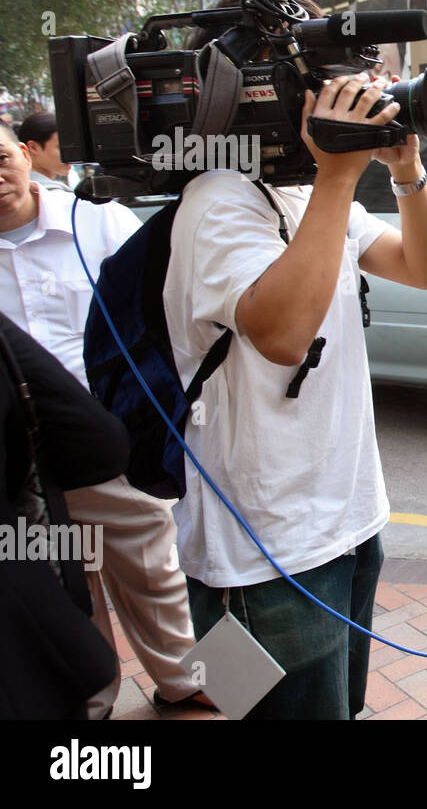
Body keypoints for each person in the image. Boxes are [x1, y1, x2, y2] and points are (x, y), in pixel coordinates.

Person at [164, 0, 427, 719]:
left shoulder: (314, 196)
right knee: (263, 712)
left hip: (350, 522)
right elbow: (283, 333)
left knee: (339, 710)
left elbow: (426, 268)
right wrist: (339, 170)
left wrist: (406, 173)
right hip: (261, 554)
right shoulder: (219, 202)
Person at [0, 121, 212, 717]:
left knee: (159, 572)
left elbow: (160, 311)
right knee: (63, 586)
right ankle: (90, 700)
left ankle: (195, 681)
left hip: (113, 443)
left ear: (24, 153)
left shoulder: (95, 220)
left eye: (1, 157)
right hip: (27, 470)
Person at [0, 312, 126, 718]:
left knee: (147, 571)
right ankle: (100, 701)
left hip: (73, 457)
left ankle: (179, 679)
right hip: (34, 495)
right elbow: (99, 441)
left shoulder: (94, 244)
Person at [17, 112, 73, 191]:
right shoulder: (48, 194)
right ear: (33, 147)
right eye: (62, 148)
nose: (72, 155)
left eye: (73, 148)